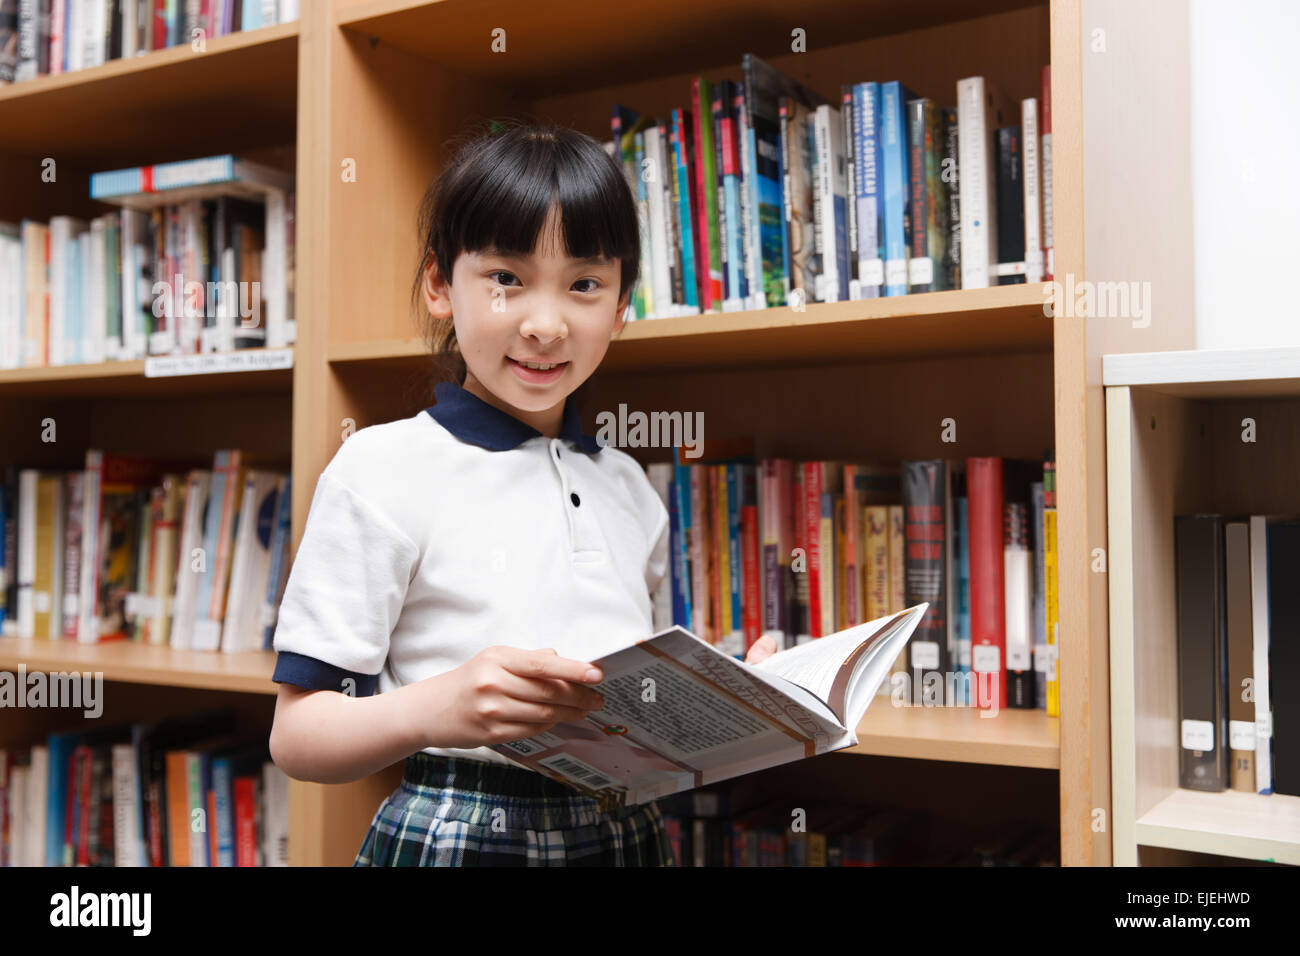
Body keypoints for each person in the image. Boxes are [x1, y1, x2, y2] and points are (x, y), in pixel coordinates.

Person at [267, 120, 777, 866]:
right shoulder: (380, 468)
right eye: (506, 278)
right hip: (460, 829)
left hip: (622, 831)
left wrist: (733, 699)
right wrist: (434, 708)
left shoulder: (630, 487)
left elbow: (636, 704)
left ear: (622, 305)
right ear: (442, 285)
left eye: (584, 284)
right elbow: (298, 737)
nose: (545, 324)